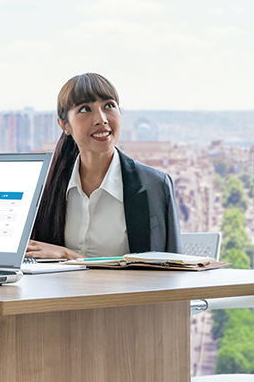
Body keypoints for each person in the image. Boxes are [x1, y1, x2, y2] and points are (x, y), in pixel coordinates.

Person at [25, 73, 180, 260]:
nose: (101, 119)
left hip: (131, 290)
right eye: (85, 109)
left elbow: (171, 270)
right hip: (59, 290)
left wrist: (70, 256)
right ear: (64, 125)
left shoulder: (154, 185)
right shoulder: (47, 185)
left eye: (109, 106)